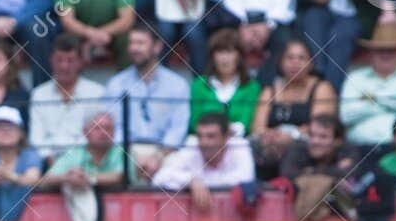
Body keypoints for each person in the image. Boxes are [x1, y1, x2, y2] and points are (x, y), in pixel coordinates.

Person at [105, 23, 191, 179]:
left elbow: (178, 128)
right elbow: (114, 127)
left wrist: (158, 156)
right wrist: (131, 157)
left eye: (140, 43)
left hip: (165, 151)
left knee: (177, 176)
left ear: (157, 47)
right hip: (126, 150)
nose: (134, 48)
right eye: (131, 43)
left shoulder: (177, 84)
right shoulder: (116, 84)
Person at [39, 109, 130, 221]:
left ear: (114, 132)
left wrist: (87, 178)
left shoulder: (122, 152)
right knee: (72, 185)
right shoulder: (74, 153)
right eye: (97, 128)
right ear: (85, 132)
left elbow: (119, 177)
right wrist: (68, 178)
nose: (103, 133)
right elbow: (47, 179)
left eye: (108, 128)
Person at [251, 39, 337, 173]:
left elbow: (321, 127)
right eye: (290, 57)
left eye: (301, 58)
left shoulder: (322, 88)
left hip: (306, 146)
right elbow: (257, 128)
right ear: (280, 62)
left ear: (311, 63)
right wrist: (270, 135)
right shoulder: (269, 90)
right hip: (271, 147)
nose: (295, 62)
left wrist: (292, 135)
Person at [339, 22, 396, 147]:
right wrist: (394, 103)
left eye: (391, 50)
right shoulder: (355, 78)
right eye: (380, 50)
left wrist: (373, 97)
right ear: (371, 52)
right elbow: (346, 115)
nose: (385, 54)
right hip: (359, 148)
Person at [152, 112, 257, 212]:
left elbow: (246, 178)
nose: (204, 142)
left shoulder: (240, 146)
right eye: (200, 136)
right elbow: (159, 179)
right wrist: (190, 180)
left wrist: (201, 183)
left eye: (211, 136)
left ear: (226, 137)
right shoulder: (192, 146)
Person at [29, 32, 106, 164]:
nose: (64, 66)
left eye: (70, 60)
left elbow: (97, 136)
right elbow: (36, 138)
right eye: (59, 60)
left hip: (86, 161)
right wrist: (50, 159)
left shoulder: (97, 92)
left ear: (80, 62)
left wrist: (74, 160)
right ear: (51, 61)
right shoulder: (39, 94)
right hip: (48, 162)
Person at [189, 27, 260, 134]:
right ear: (212, 56)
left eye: (230, 52)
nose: (224, 59)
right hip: (204, 143)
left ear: (239, 56)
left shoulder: (252, 86)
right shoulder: (199, 85)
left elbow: (247, 123)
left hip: (239, 144)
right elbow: (194, 123)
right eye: (220, 52)